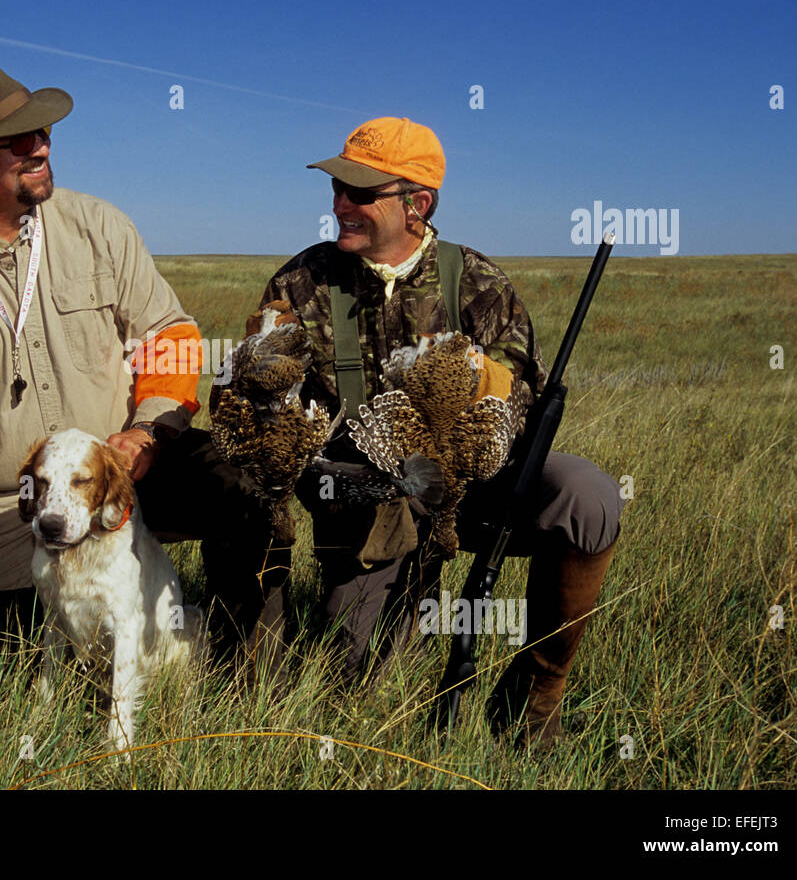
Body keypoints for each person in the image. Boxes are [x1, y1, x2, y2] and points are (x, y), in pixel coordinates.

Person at [0, 58, 280, 658]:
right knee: (12, 677)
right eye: (18, 139)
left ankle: (243, 671)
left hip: (126, 472)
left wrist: (147, 431)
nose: (41, 145)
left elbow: (168, 334)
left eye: (43, 131)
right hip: (10, 509)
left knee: (247, 488)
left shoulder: (101, 226)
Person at [247, 116, 623, 747]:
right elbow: (267, 408)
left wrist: (471, 398)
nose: (341, 204)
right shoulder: (300, 283)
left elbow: (521, 399)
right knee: (357, 686)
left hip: (472, 491)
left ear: (416, 205)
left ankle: (539, 694)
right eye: (338, 189)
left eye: (361, 194)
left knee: (587, 495)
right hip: (369, 506)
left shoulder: (477, 282)